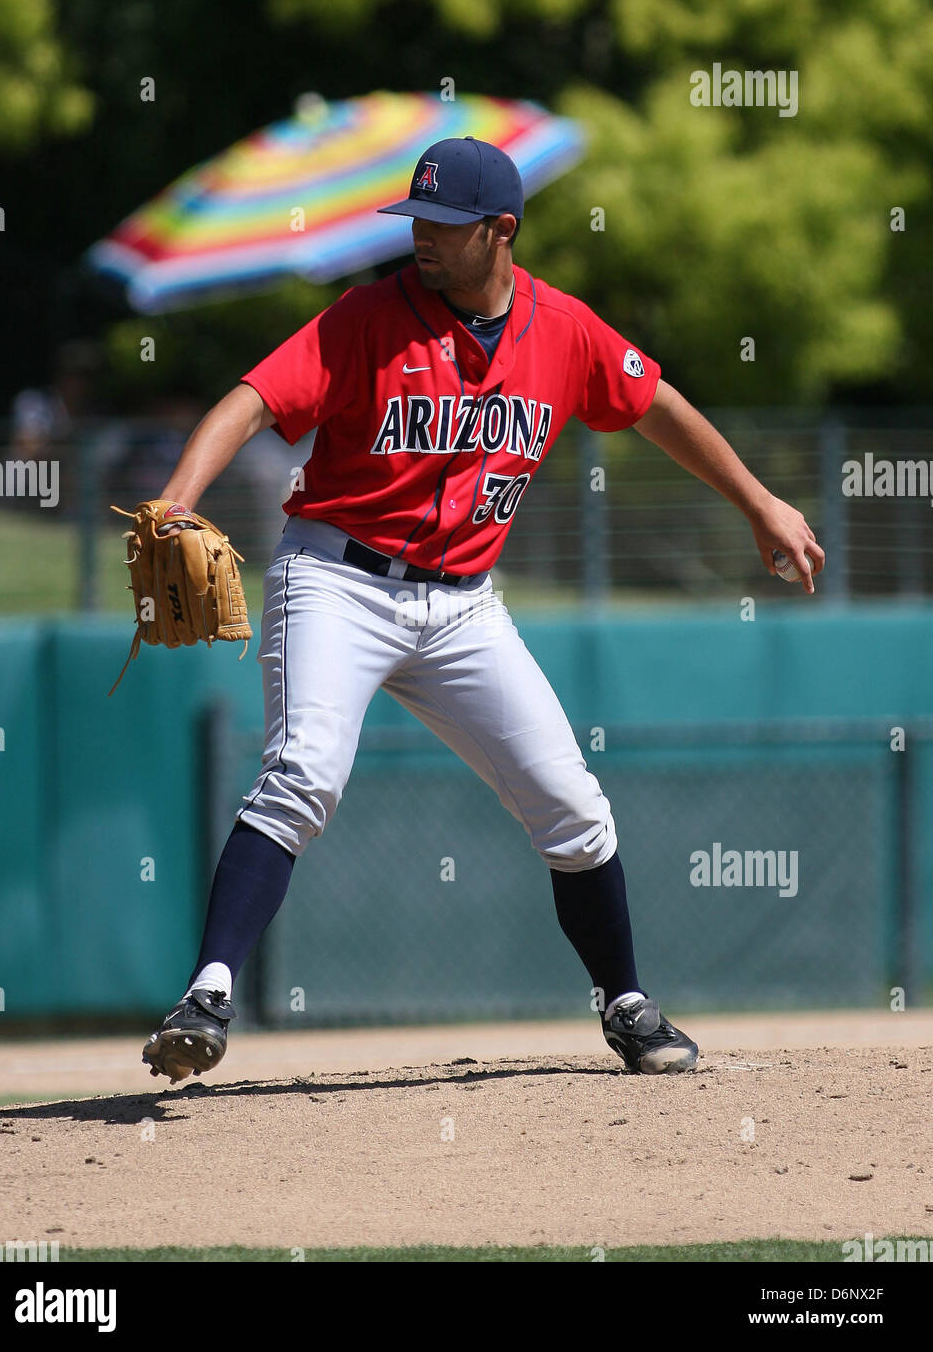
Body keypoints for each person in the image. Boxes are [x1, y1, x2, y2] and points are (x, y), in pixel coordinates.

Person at [141, 137, 824, 1083]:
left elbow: (655, 400)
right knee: (303, 776)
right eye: (417, 219)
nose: (423, 238)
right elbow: (252, 402)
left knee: (576, 810)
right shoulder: (366, 319)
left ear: (500, 232)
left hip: (463, 607)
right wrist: (179, 498)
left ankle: (625, 1003)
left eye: (446, 226)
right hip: (338, 582)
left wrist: (759, 501)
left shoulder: (565, 328)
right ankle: (207, 995)